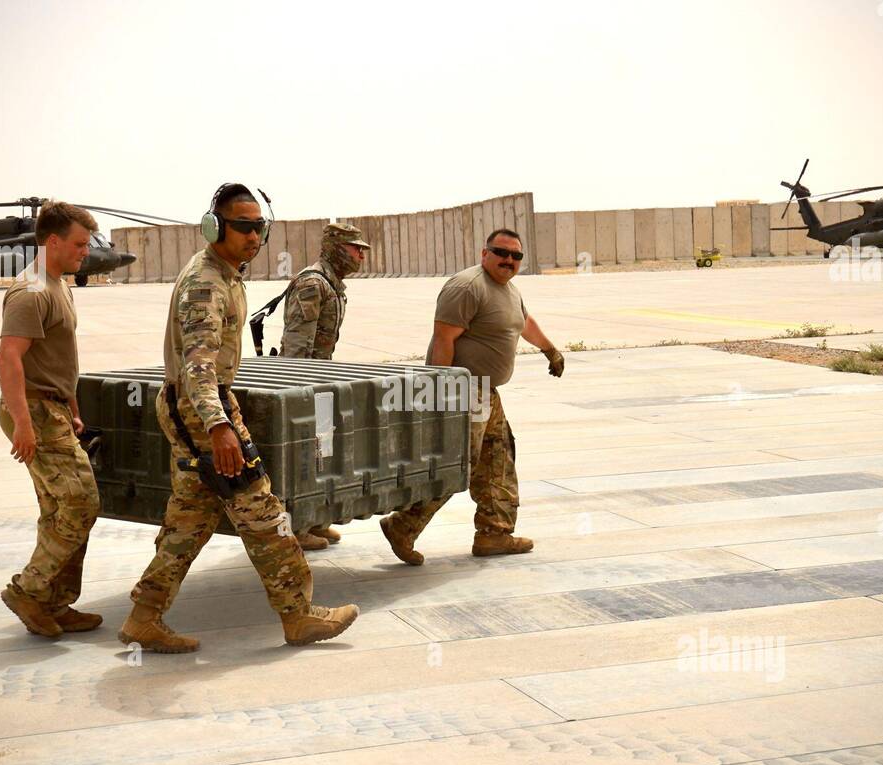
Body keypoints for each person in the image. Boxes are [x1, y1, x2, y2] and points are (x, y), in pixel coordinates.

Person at [119, 183, 359, 652]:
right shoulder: (207, 282)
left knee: (190, 517)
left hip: (198, 406)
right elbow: (198, 362)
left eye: (260, 227)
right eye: (244, 226)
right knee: (264, 513)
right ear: (215, 227)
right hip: (202, 409)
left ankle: (143, 618)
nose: (254, 236)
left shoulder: (227, 274)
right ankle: (298, 615)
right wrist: (219, 426)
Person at [379, 228, 564, 564]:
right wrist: (440, 391)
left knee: (499, 463)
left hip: (486, 393)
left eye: (516, 255)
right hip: (462, 390)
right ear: (484, 254)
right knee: (456, 463)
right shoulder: (467, 287)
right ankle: (402, 526)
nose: (509, 260)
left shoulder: (508, 290)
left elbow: (523, 322)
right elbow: (443, 340)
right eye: (501, 252)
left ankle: (495, 533)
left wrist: (550, 350)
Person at [0, 201, 103, 637]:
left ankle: (56, 603)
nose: (85, 251)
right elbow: (8, 358)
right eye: (79, 244)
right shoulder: (32, 292)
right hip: (34, 410)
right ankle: (30, 590)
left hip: (53, 408)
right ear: (53, 241)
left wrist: (73, 411)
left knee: (58, 508)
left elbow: (59, 358)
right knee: (81, 502)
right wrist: (23, 423)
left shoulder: (59, 285)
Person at [278, 222, 370, 550]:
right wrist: (297, 396)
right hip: (305, 385)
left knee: (323, 455)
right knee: (304, 457)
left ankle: (316, 519)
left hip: (321, 382)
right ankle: (297, 526)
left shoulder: (333, 284)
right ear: (334, 248)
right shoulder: (313, 283)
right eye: (354, 248)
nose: (361, 254)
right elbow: (296, 345)